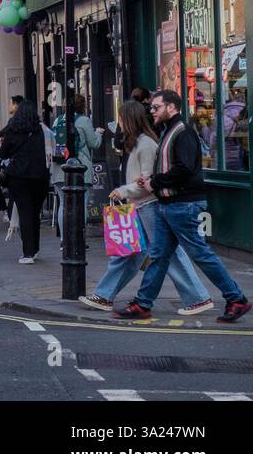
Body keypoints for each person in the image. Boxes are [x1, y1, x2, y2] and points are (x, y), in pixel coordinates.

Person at [116, 89, 251, 322]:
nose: (152, 111)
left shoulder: (183, 132)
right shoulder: (169, 131)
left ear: (171, 107)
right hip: (170, 204)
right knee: (158, 255)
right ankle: (142, 304)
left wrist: (154, 181)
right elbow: (174, 168)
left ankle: (236, 298)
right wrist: (151, 181)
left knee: (200, 253)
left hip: (183, 205)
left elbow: (185, 169)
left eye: (156, 107)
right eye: (152, 108)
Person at [79, 100, 212, 315]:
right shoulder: (137, 142)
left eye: (122, 118)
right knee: (128, 253)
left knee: (169, 254)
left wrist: (124, 191)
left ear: (130, 119)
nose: (119, 122)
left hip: (149, 206)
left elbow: (148, 181)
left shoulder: (147, 144)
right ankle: (104, 296)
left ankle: (198, 297)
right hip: (139, 207)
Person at [0, 98, 49, 264]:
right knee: (35, 213)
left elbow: (3, 154)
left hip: (19, 177)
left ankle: (27, 253)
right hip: (40, 176)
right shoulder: (39, 130)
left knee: (25, 213)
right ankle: (35, 250)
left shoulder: (13, 129)